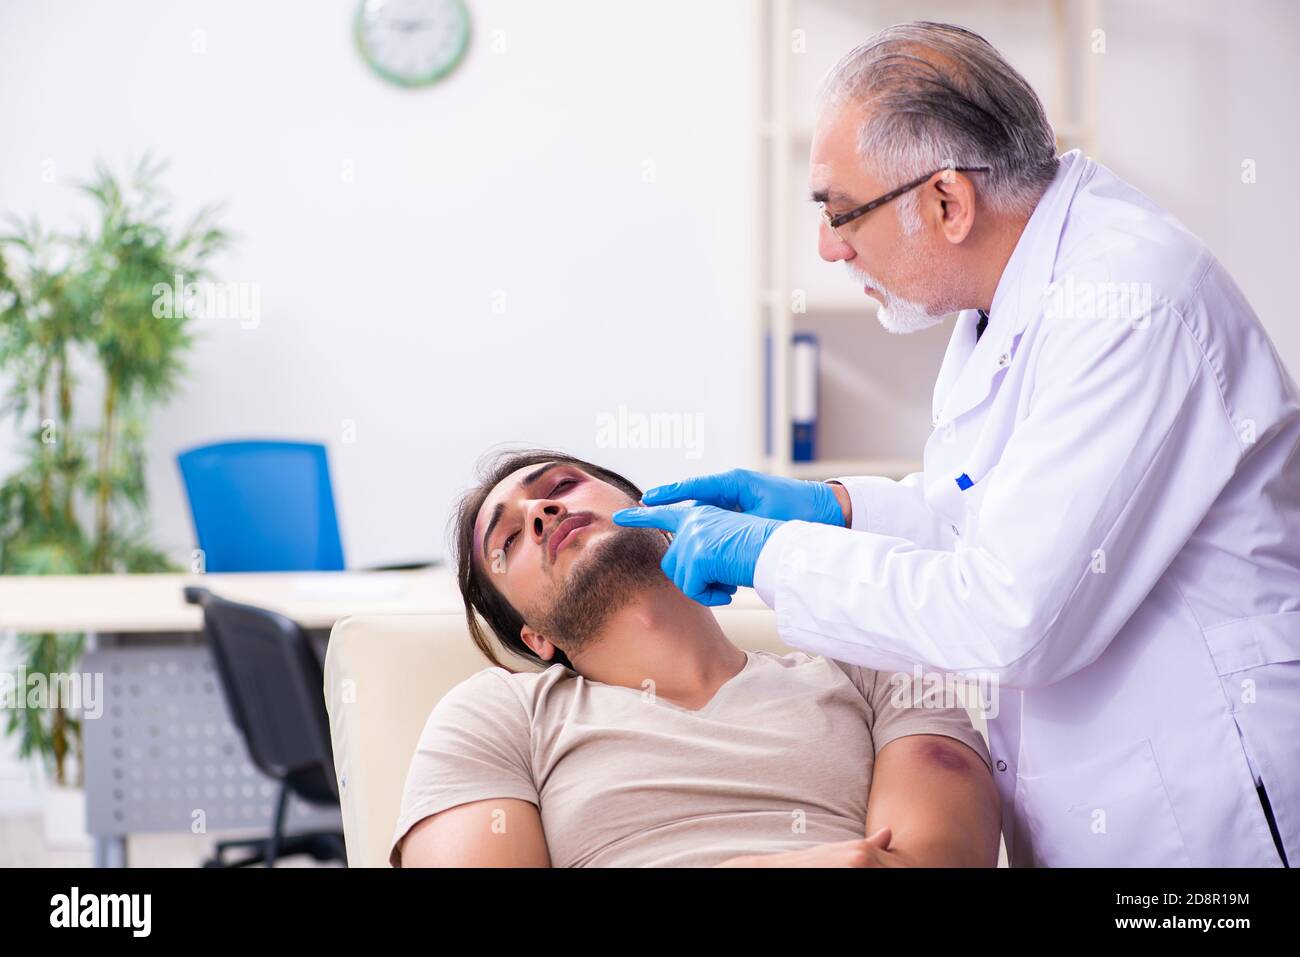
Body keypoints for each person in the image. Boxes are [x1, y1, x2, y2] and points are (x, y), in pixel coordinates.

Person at [615, 22, 1299, 867]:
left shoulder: (1126, 303)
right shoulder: (1007, 298)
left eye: (839, 212)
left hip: (1210, 807)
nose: (830, 247)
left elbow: (1011, 616)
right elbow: (982, 518)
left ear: (946, 201)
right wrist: (838, 509)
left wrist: (774, 554)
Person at [390, 449, 1000, 867]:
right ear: (535, 639)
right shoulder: (497, 715)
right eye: (510, 539)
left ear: (658, 509)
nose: (543, 512)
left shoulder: (867, 663)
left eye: (562, 486)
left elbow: (934, 856)